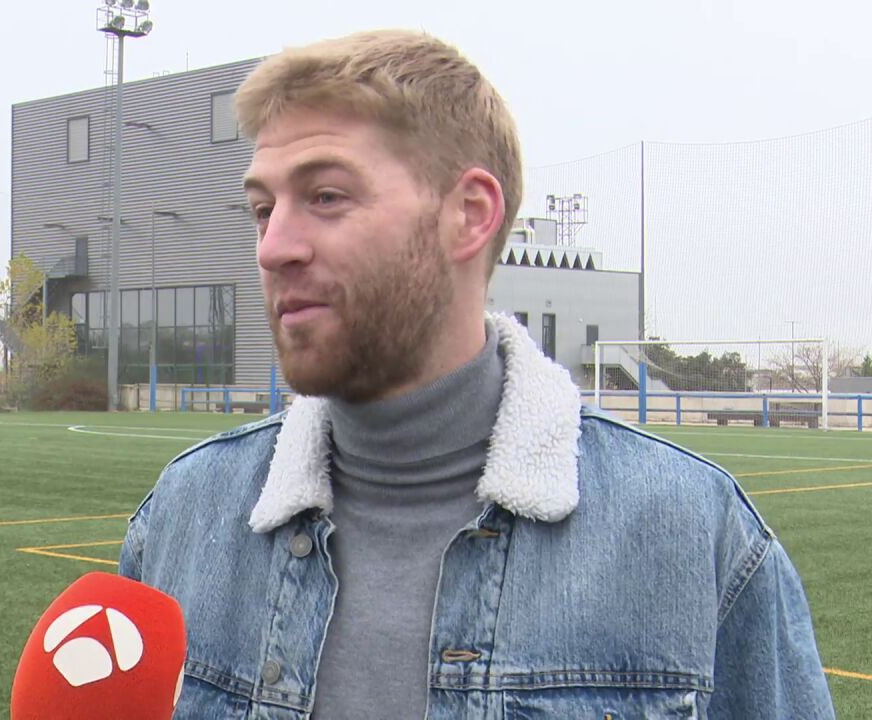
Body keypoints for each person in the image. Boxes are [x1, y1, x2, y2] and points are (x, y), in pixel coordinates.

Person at [120, 29, 834, 719]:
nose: (273, 247)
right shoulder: (183, 515)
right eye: (262, 209)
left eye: (326, 196)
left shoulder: (694, 534)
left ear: (469, 215)